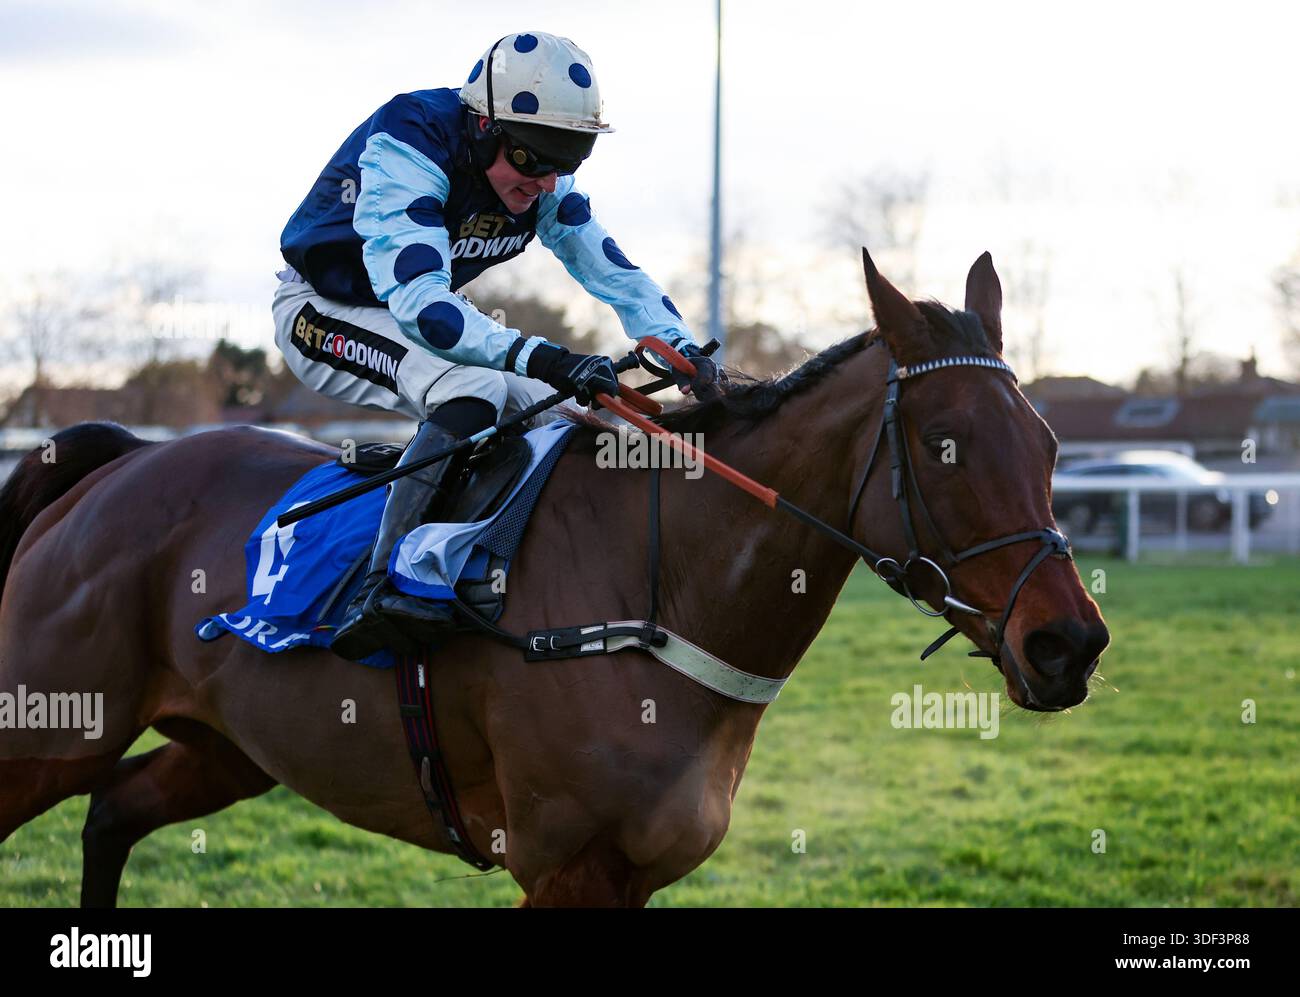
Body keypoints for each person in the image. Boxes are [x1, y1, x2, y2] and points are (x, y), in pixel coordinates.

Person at [273, 31, 716, 660]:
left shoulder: (540, 176)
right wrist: (552, 357)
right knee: (473, 385)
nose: (545, 179)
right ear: (482, 125)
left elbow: (612, 274)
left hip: (415, 311)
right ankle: (388, 584)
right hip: (323, 309)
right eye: (532, 158)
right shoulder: (410, 140)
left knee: (569, 416)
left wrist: (684, 351)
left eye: (568, 159)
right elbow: (426, 311)